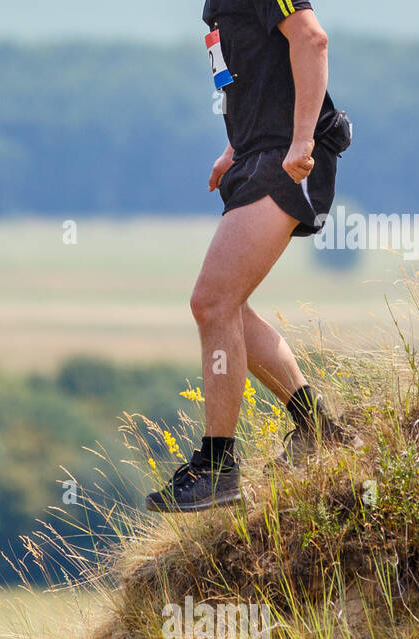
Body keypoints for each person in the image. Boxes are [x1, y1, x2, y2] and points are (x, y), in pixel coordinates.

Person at [146, 0, 353, 514]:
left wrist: (302, 140)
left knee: (211, 303)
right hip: (257, 152)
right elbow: (254, 78)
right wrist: (234, 148)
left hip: (287, 155)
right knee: (227, 307)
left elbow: (312, 40)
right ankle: (317, 428)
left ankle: (219, 467)